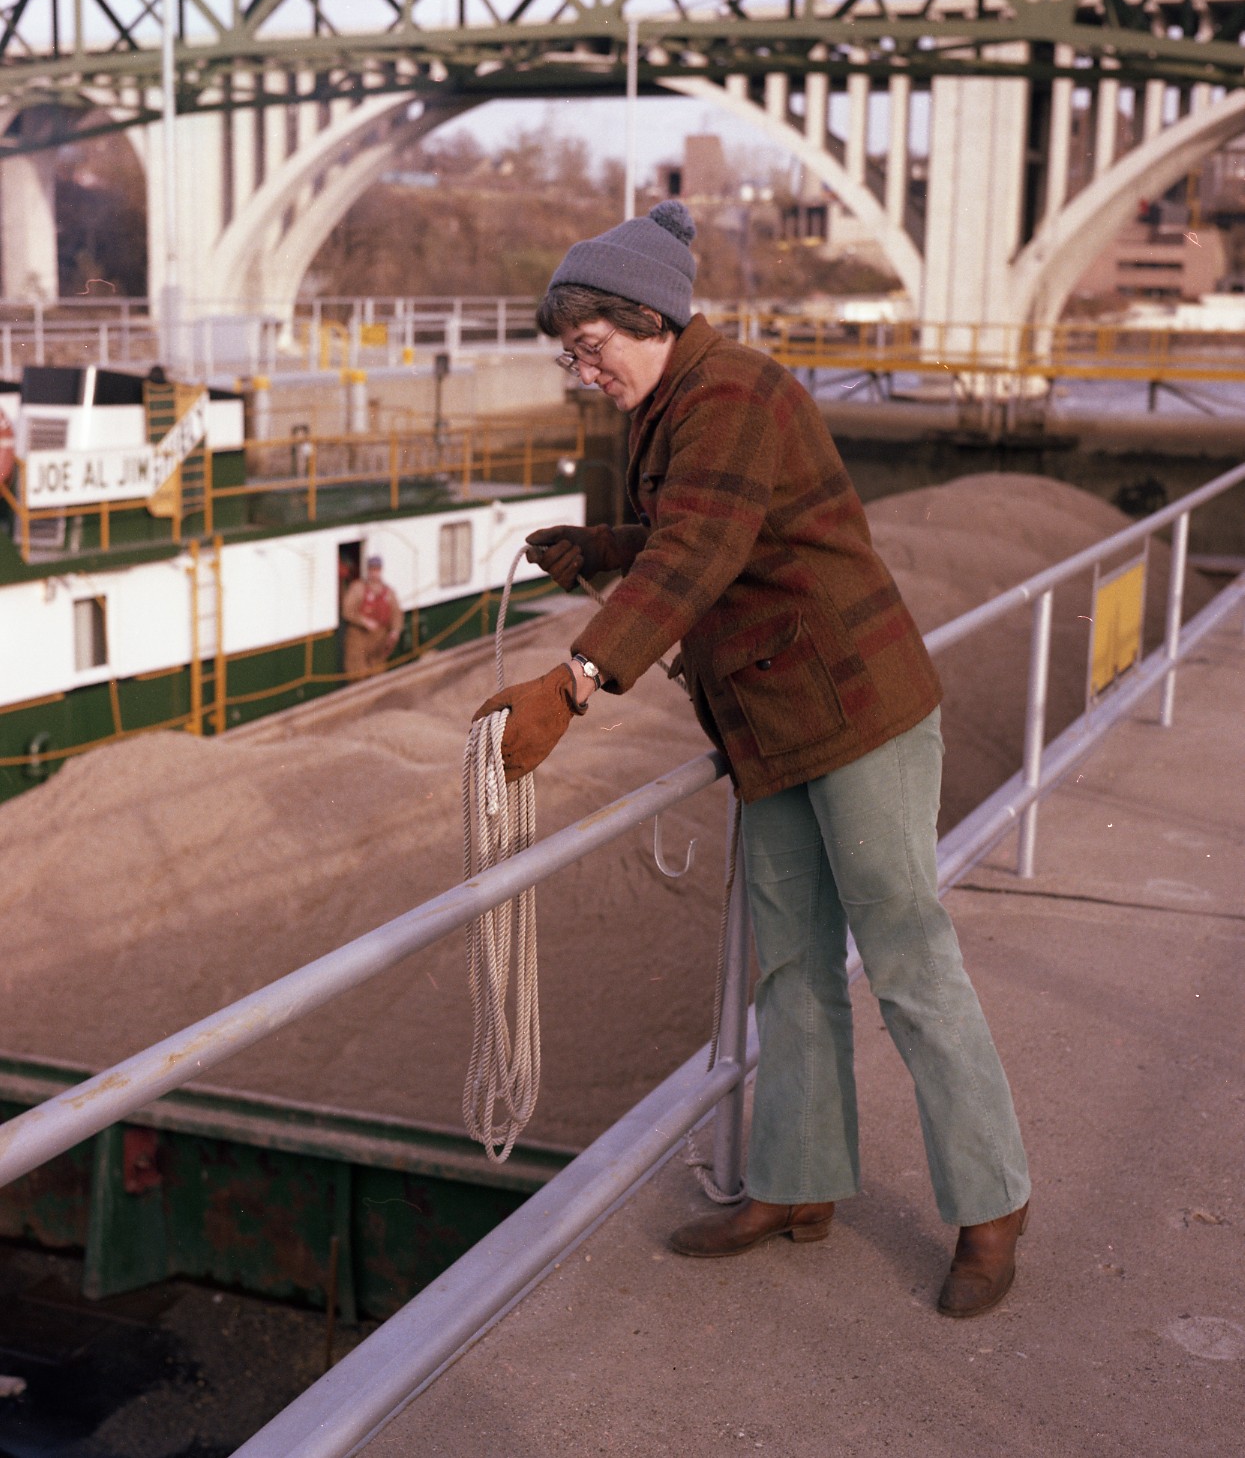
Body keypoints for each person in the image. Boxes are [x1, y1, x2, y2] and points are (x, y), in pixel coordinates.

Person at [472, 200, 1030, 1318]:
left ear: (652, 317)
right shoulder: (676, 397)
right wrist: (603, 549)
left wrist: (576, 682)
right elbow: (709, 529)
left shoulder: (729, 394)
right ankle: (797, 1185)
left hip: (856, 708)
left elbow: (703, 547)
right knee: (790, 964)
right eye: (570, 356)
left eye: (592, 348)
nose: (585, 372)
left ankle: (991, 1206)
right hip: (770, 722)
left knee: (909, 960)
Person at [341, 554, 403, 680]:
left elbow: (397, 613)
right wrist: (364, 621)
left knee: (378, 674)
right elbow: (347, 610)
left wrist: (395, 631)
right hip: (358, 639)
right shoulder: (357, 588)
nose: (374, 573)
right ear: (368, 570)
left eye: (377, 570)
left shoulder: (389, 592)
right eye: (372, 570)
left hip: (379, 639)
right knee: (357, 674)